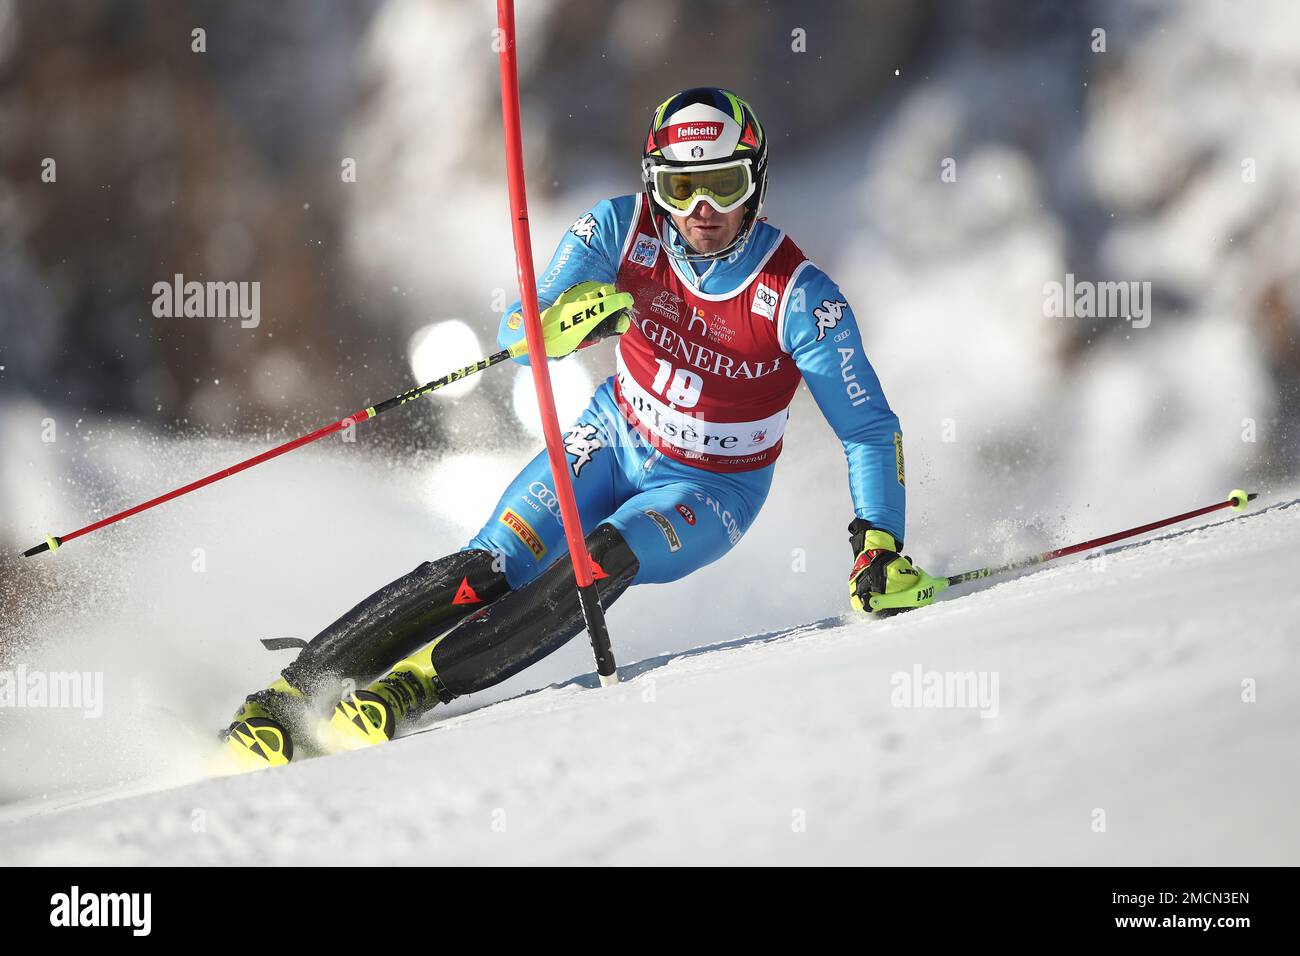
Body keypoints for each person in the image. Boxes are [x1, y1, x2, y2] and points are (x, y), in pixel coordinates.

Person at [221, 87, 938, 770]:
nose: (702, 208)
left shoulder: (799, 296)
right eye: (680, 187)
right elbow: (516, 325)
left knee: (600, 559)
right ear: (654, 183)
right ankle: (288, 697)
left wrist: (877, 545)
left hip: (712, 486)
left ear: (756, 180)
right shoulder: (618, 229)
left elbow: (870, 429)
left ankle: (415, 685)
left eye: (723, 182)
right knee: (486, 565)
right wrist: (554, 330)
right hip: (614, 438)